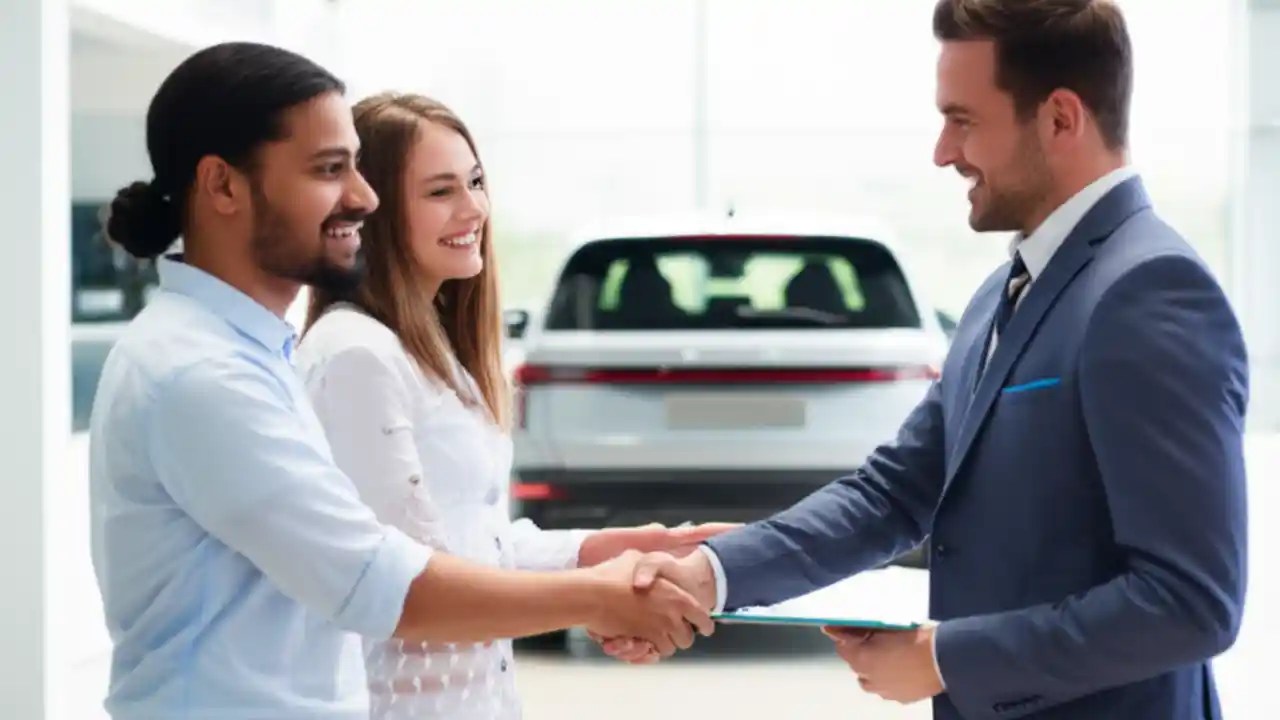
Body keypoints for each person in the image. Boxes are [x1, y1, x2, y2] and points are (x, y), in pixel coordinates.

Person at [614, 1, 1250, 718]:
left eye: (964, 120)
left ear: (1061, 118)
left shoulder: (1151, 292)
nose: (943, 152)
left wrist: (943, 660)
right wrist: (709, 575)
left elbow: (1190, 602)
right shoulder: (1002, 292)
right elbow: (893, 493)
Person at [88, 41, 711, 720]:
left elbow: (419, 554)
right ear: (223, 186)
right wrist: (599, 594)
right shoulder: (201, 374)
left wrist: (599, 560)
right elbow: (382, 585)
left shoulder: (245, 353)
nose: (363, 197)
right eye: (330, 170)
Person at [293, 91, 734, 719]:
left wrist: (621, 547)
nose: (474, 207)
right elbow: (410, 589)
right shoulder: (355, 355)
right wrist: (601, 600)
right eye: (440, 191)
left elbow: (477, 546)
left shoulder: (435, 350)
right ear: (377, 211)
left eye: (475, 181)